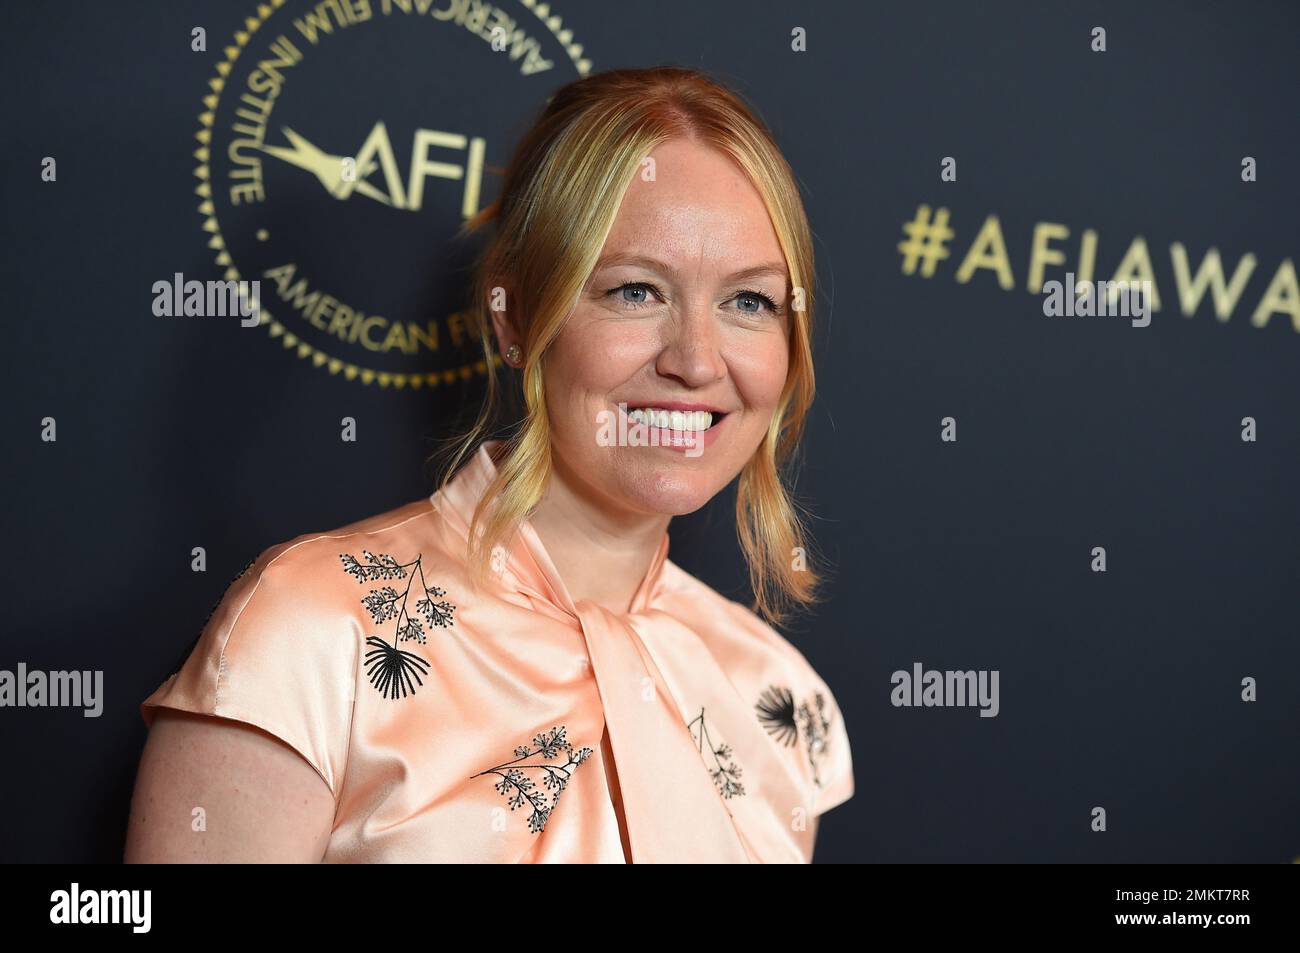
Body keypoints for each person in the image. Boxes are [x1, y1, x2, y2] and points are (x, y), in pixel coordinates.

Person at [125, 66, 853, 863]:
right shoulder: (310, 630)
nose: (697, 359)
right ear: (514, 319)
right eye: (636, 291)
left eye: (748, 302)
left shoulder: (778, 695)